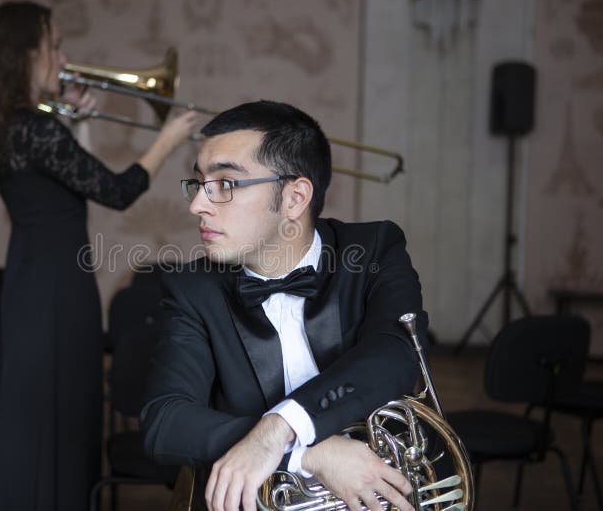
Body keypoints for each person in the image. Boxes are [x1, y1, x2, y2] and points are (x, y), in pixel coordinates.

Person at [0, 1, 198, 510]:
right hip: (56, 289)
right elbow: (116, 190)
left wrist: (77, 125)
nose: (65, 57)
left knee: (48, 406)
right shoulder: (36, 130)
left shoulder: (18, 128)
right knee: (60, 408)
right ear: (29, 54)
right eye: (56, 45)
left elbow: (71, 194)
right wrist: (167, 139)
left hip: (36, 279)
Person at [141, 100, 428, 511]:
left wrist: (281, 427)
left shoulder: (375, 250)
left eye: (225, 184)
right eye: (199, 182)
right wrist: (310, 453)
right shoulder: (193, 288)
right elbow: (164, 420)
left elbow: (395, 354)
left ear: (294, 198)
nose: (197, 205)